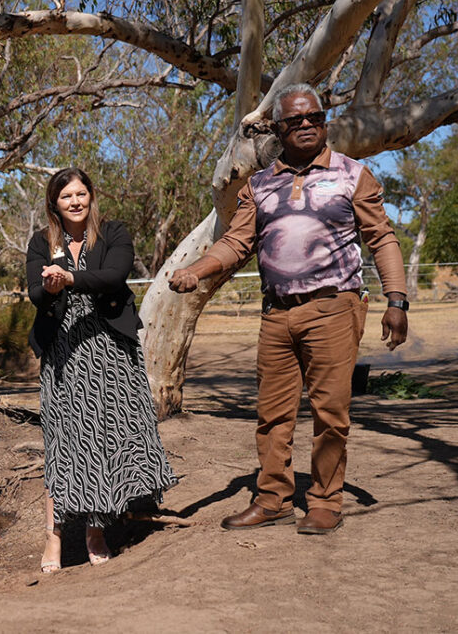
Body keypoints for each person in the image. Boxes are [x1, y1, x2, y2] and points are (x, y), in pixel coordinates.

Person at [169, 83, 409, 534]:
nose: (305, 125)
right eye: (294, 120)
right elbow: (237, 242)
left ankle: (324, 500)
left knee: (330, 413)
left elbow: (381, 238)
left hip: (333, 308)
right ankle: (274, 498)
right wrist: (197, 271)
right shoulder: (259, 185)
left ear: (324, 122)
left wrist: (396, 299)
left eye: (313, 118)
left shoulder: (353, 174)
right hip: (276, 314)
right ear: (278, 129)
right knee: (271, 414)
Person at [27, 167, 177, 572]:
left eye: (81, 194)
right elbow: (34, 291)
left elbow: (115, 276)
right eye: (66, 197)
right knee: (64, 441)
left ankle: (96, 530)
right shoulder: (42, 242)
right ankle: (54, 536)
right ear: (54, 204)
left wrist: (70, 278)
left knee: (105, 437)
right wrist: (51, 288)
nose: (75, 202)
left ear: (91, 196)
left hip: (109, 348)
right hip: (63, 352)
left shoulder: (113, 232)